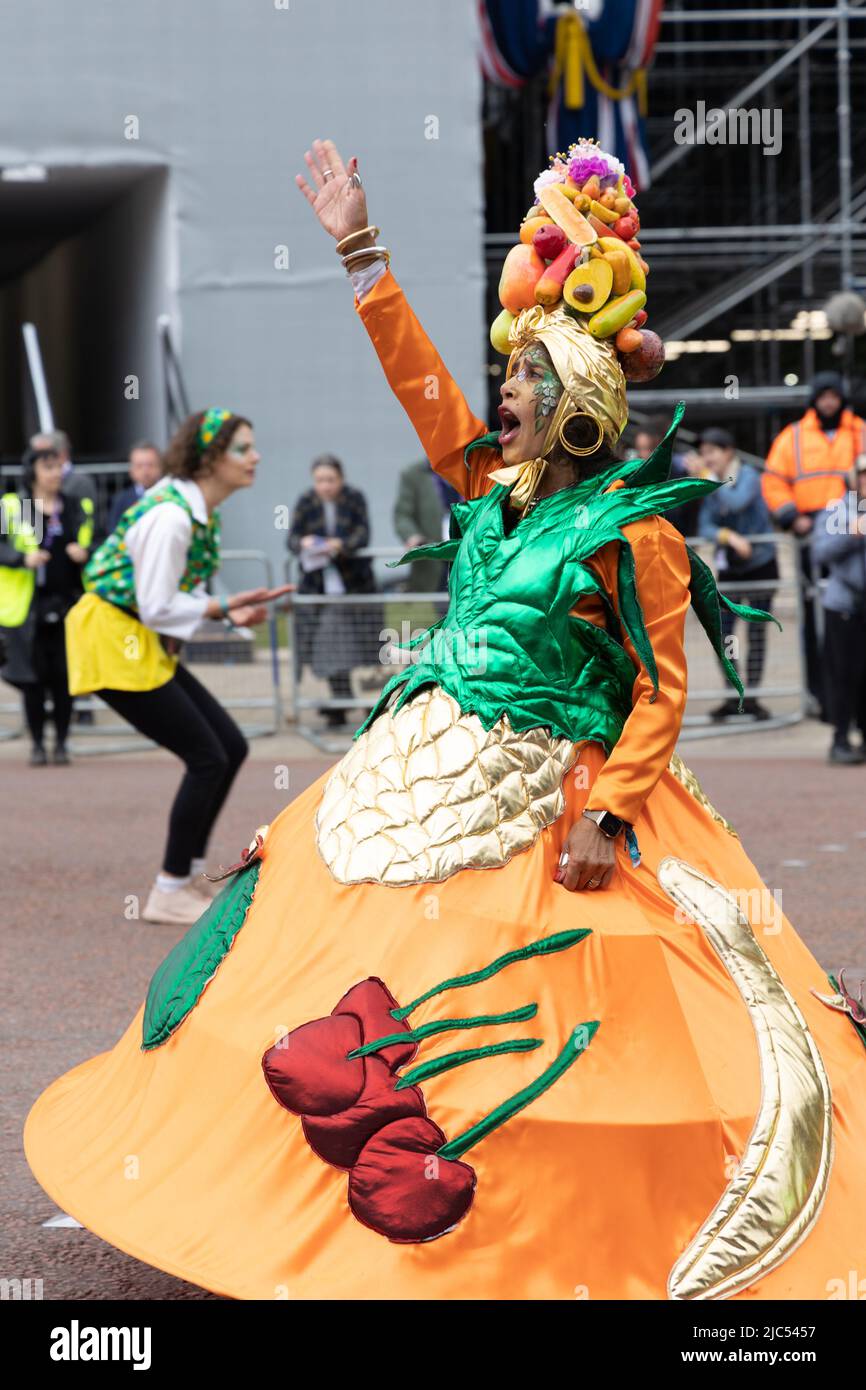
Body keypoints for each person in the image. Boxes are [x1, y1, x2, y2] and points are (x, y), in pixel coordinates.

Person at [24, 138, 866, 1301]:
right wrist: (359, 252)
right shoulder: (491, 490)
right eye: (506, 383)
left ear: (574, 408)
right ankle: (242, 1197)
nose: (499, 399)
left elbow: (661, 692)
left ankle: (550, 1245)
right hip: (412, 767)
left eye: (522, 384)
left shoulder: (639, 533)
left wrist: (606, 816)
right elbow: (419, 382)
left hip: (556, 803)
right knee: (306, 970)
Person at [62, 408, 290, 926]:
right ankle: (168, 889)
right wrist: (224, 610)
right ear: (209, 458)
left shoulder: (191, 508)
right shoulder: (171, 516)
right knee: (208, 756)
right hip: (112, 636)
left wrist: (231, 616)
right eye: (242, 449)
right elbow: (158, 603)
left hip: (133, 633)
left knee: (229, 748)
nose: (255, 457)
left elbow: (177, 599)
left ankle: (182, 879)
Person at [762, 372, 865, 718]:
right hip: (814, 534)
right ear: (814, 400)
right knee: (817, 619)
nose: (829, 402)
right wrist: (792, 516)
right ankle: (821, 695)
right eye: (823, 396)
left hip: (856, 532)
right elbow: (774, 480)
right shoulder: (792, 437)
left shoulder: (860, 430)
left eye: (835, 396)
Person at [0, 441, 92, 763]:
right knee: (33, 679)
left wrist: (86, 553)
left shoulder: (73, 506)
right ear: (33, 473)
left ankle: (63, 744)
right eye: (48, 467)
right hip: (30, 607)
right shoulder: (16, 507)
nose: (55, 474)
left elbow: (98, 540)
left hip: (69, 602)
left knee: (65, 678)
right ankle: (38, 744)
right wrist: (21, 558)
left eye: (58, 467)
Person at [287, 454, 377, 727]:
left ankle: (369, 704)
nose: (325, 486)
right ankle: (340, 700)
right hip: (320, 590)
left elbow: (363, 534)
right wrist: (304, 543)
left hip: (355, 586)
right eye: (320, 480)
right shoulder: (306, 501)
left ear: (341, 479)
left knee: (366, 647)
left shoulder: (355, 498)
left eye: (330, 480)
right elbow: (290, 539)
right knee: (328, 646)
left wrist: (340, 546)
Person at [697, 427, 778, 722]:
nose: (707, 459)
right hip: (730, 566)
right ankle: (734, 695)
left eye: (712, 452)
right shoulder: (713, 483)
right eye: (704, 454)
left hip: (761, 564)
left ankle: (753, 698)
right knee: (722, 631)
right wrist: (728, 535)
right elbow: (705, 526)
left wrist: (710, 480)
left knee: (756, 632)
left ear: (728, 451)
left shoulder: (749, 477)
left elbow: (737, 501)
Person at [812, 456, 866, 764]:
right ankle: (840, 737)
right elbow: (820, 552)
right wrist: (851, 532)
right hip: (845, 605)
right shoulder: (838, 509)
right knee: (844, 674)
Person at [393, 457, 460, 592]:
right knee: (441, 606)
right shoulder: (414, 474)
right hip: (435, 556)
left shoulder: (469, 467)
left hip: (466, 552)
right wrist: (412, 536)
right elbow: (402, 515)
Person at [633, 415, 704, 539]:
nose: (643, 455)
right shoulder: (633, 476)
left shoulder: (680, 472)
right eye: (640, 449)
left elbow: (689, 513)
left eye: (649, 449)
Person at [106, 440, 163, 533]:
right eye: (139, 466)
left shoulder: (169, 497)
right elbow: (113, 532)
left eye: (150, 465)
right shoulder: (120, 500)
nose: (146, 472)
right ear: (131, 470)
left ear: (161, 467)